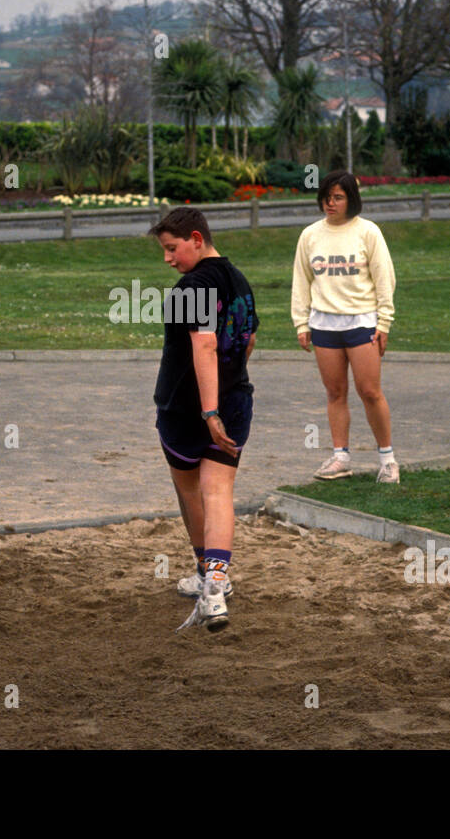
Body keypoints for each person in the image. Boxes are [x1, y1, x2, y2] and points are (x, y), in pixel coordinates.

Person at [149, 207, 258, 633]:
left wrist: (208, 411)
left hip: (186, 409)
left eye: (172, 248)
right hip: (237, 402)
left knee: (190, 491)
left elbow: (206, 345)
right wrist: (227, 393)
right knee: (219, 495)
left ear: (197, 238)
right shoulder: (240, 280)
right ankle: (215, 588)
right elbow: (247, 341)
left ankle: (204, 573)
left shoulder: (192, 286)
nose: (168, 259)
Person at [291, 170, 398, 482]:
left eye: (337, 197)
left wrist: (384, 322)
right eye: (326, 196)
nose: (330, 203)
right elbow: (301, 280)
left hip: (362, 321)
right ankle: (340, 457)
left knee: (369, 391)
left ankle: (388, 460)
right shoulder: (310, 235)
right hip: (323, 323)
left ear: (352, 199)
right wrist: (301, 321)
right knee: (335, 391)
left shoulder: (368, 232)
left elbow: (385, 279)